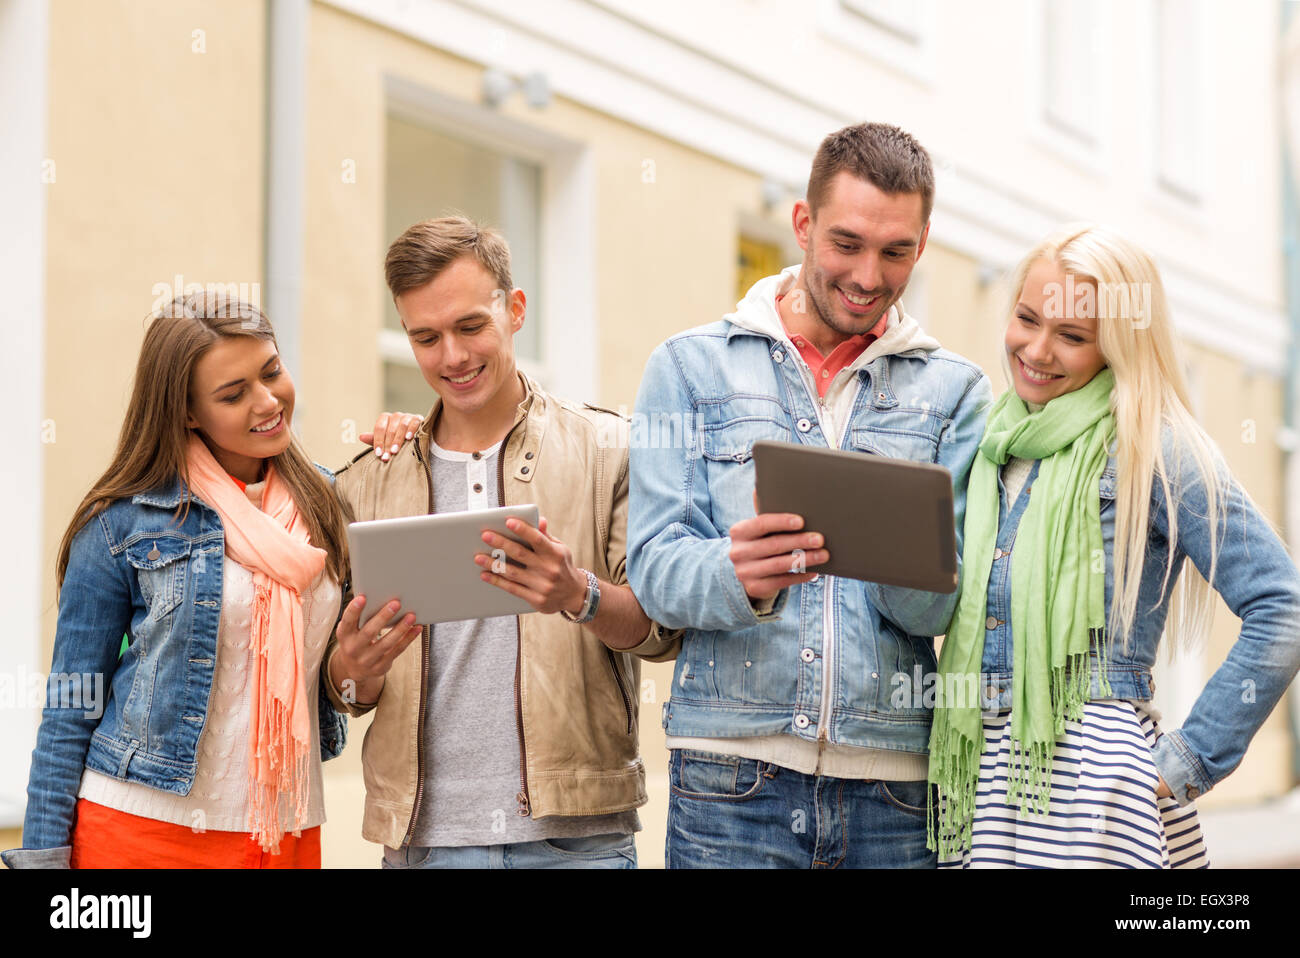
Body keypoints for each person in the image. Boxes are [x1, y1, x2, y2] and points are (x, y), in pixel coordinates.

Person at [627, 122, 992, 868]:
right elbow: (656, 573)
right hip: (730, 782)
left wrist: (896, 554)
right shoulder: (688, 368)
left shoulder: (956, 392)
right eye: (847, 243)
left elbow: (942, 609)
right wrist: (737, 576)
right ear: (802, 224)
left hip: (893, 792)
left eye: (896, 253)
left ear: (921, 245)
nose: (867, 275)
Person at [2, 292, 419, 869]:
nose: (268, 401)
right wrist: (43, 861)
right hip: (142, 832)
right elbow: (71, 705)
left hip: (285, 829)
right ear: (187, 412)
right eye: (234, 393)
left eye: (271, 371)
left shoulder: (333, 503)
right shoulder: (123, 522)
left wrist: (422, 446)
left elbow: (341, 688)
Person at [927, 224, 1300, 868]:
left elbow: (1282, 607)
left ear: (1117, 347)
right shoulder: (988, 443)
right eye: (1027, 319)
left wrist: (1180, 764)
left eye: (1072, 336)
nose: (1037, 350)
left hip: (1090, 792)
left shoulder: (1154, 447)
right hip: (981, 780)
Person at [323, 215, 679, 869]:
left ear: (514, 310)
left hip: (575, 844)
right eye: (425, 337)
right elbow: (342, 697)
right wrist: (354, 667)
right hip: (424, 845)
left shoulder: (611, 450)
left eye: (470, 327)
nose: (452, 357)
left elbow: (662, 633)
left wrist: (581, 595)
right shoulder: (367, 482)